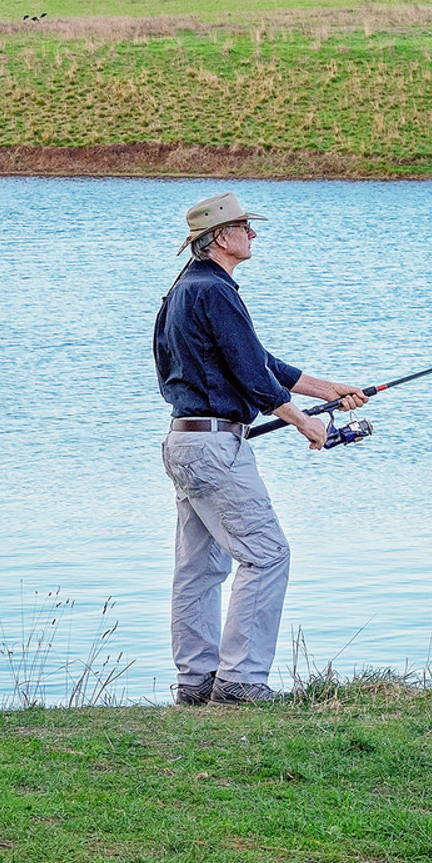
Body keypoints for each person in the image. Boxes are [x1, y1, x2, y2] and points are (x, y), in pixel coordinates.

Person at [154, 191, 367, 705]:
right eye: (246, 227)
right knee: (267, 556)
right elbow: (252, 374)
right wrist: (302, 422)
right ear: (220, 237)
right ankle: (241, 682)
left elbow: (256, 358)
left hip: (184, 442)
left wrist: (326, 390)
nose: (254, 234)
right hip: (213, 448)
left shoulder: (185, 290)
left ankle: (196, 683)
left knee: (199, 569)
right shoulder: (215, 291)